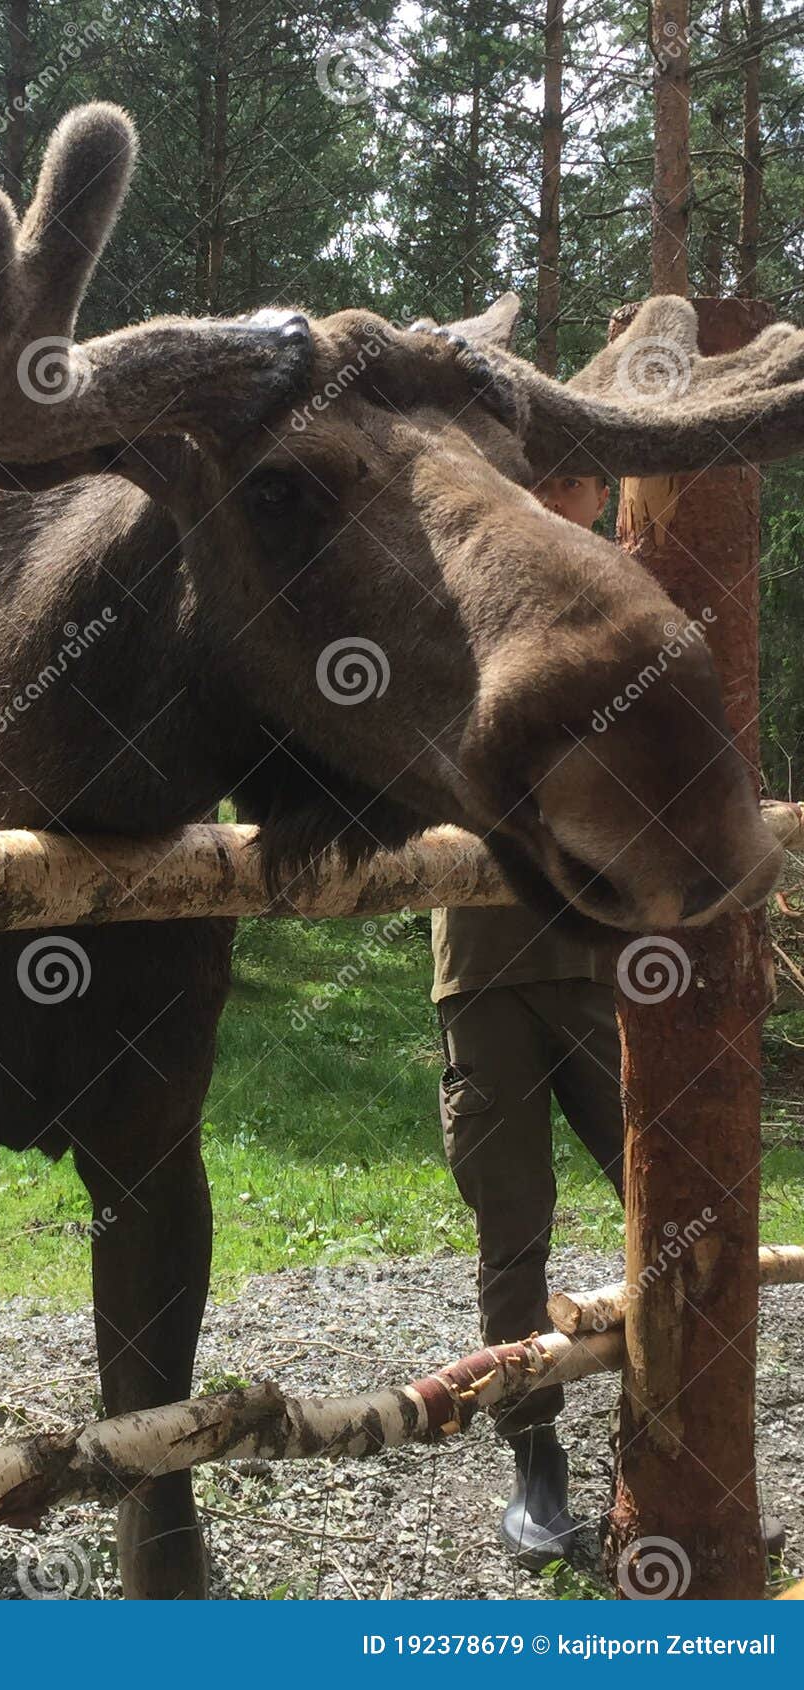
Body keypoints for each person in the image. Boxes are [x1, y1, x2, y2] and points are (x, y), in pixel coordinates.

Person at [431, 471, 622, 1570]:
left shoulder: (612, 611)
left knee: (669, 1179)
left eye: (588, 479)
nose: (573, 496)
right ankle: (534, 1465)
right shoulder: (449, 609)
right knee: (515, 1220)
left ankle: (677, 1427)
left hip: (593, 967)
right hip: (486, 973)